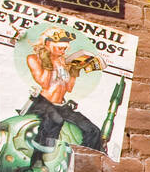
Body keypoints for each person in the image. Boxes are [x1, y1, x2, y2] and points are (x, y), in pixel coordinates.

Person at [24, 27, 105, 156]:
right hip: (43, 102)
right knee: (56, 120)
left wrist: (74, 71)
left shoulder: (62, 60)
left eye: (65, 48)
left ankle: (84, 159)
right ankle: (39, 158)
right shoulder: (34, 58)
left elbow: (68, 88)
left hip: (61, 105)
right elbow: (44, 83)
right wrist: (48, 62)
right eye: (60, 48)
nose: (63, 51)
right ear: (48, 44)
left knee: (93, 130)